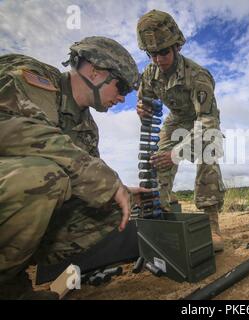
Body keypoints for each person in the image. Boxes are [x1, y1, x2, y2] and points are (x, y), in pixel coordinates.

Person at [0, 36, 147, 299]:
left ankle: (10, 283)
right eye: (121, 86)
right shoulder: (33, 77)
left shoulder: (87, 127)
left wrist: (120, 190)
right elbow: (19, 132)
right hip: (14, 179)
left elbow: (88, 182)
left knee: (113, 203)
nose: (123, 97)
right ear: (94, 71)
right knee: (42, 178)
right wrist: (106, 182)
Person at [136, 10, 226, 252]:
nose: (158, 59)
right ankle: (161, 215)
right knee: (157, 162)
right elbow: (144, 97)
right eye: (152, 54)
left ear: (177, 46)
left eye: (163, 52)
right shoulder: (149, 73)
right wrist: (142, 108)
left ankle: (210, 225)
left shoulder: (198, 76)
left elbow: (207, 121)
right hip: (175, 121)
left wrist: (177, 153)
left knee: (208, 153)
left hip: (202, 121)